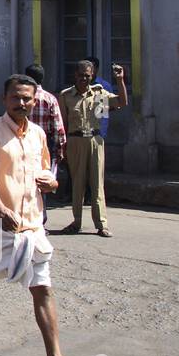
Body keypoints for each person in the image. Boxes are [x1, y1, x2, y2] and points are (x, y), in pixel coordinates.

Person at [0, 74, 97, 356]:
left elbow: (47, 172)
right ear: (4, 99)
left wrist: (52, 182)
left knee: (43, 288)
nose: (22, 103)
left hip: (32, 225)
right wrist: (0, 209)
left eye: (27, 98)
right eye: (16, 98)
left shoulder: (37, 134)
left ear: (35, 101)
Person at [58, 60, 129, 238]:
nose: (84, 79)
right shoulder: (66, 95)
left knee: (97, 184)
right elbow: (63, 124)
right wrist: (63, 148)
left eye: (87, 75)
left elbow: (121, 102)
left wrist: (120, 80)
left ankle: (101, 224)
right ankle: (77, 221)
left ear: (92, 76)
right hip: (75, 140)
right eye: (81, 75)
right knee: (77, 184)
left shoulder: (98, 93)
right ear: (75, 75)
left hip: (95, 140)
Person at [25, 63, 66, 206]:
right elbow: (58, 128)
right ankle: (40, 219)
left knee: (24, 179)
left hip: (23, 142)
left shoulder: (22, 98)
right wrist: (59, 150)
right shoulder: (50, 99)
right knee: (42, 181)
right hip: (44, 146)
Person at [86, 57, 116, 139]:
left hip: (99, 129)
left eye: (93, 67)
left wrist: (100, 108)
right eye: (87, 67)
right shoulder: (80, 86)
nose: (90, 70)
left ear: (97, 69)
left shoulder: (104, 86)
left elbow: (113, 105)